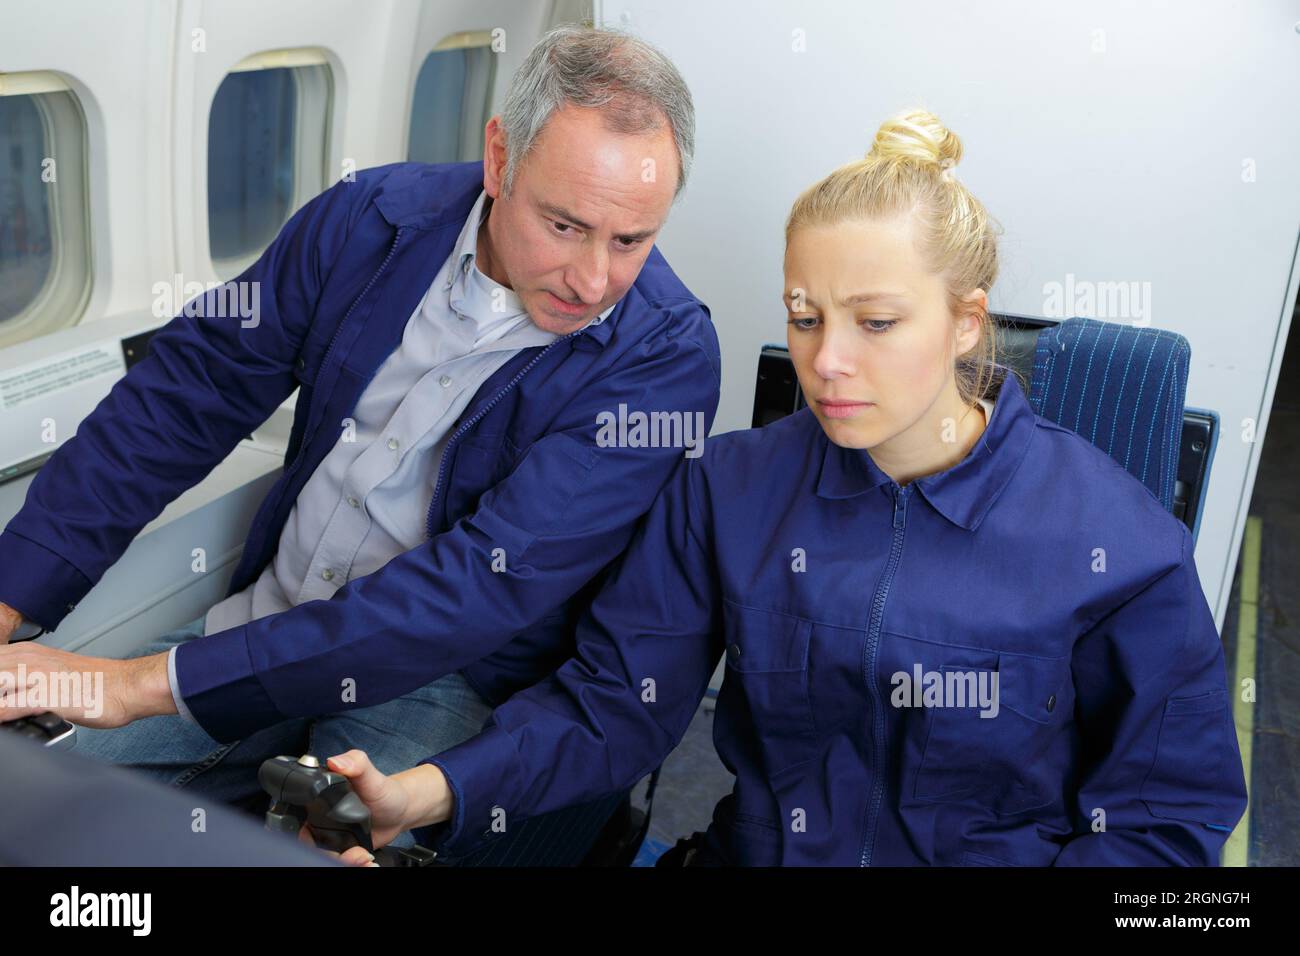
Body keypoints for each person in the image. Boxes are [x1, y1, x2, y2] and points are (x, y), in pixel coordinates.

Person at [317, 109, 1248, 866]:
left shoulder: (1115, 545)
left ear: (968, 324)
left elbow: (1167, 830)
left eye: (876, 322)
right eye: (804, 319)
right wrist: (424, 793)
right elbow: (611, 704)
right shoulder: (730, 488)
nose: (827, 362)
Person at [0, 26, 720, 860]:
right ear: (500, 161)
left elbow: (470, 594)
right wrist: (12, 596)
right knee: (33, 812)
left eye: (631, 241)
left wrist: (134, 688)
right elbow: (180, 399)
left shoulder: (662, 358)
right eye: (565, 226)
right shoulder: (365, 220)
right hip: (272, 619)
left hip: (446, 673)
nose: (594, 280)